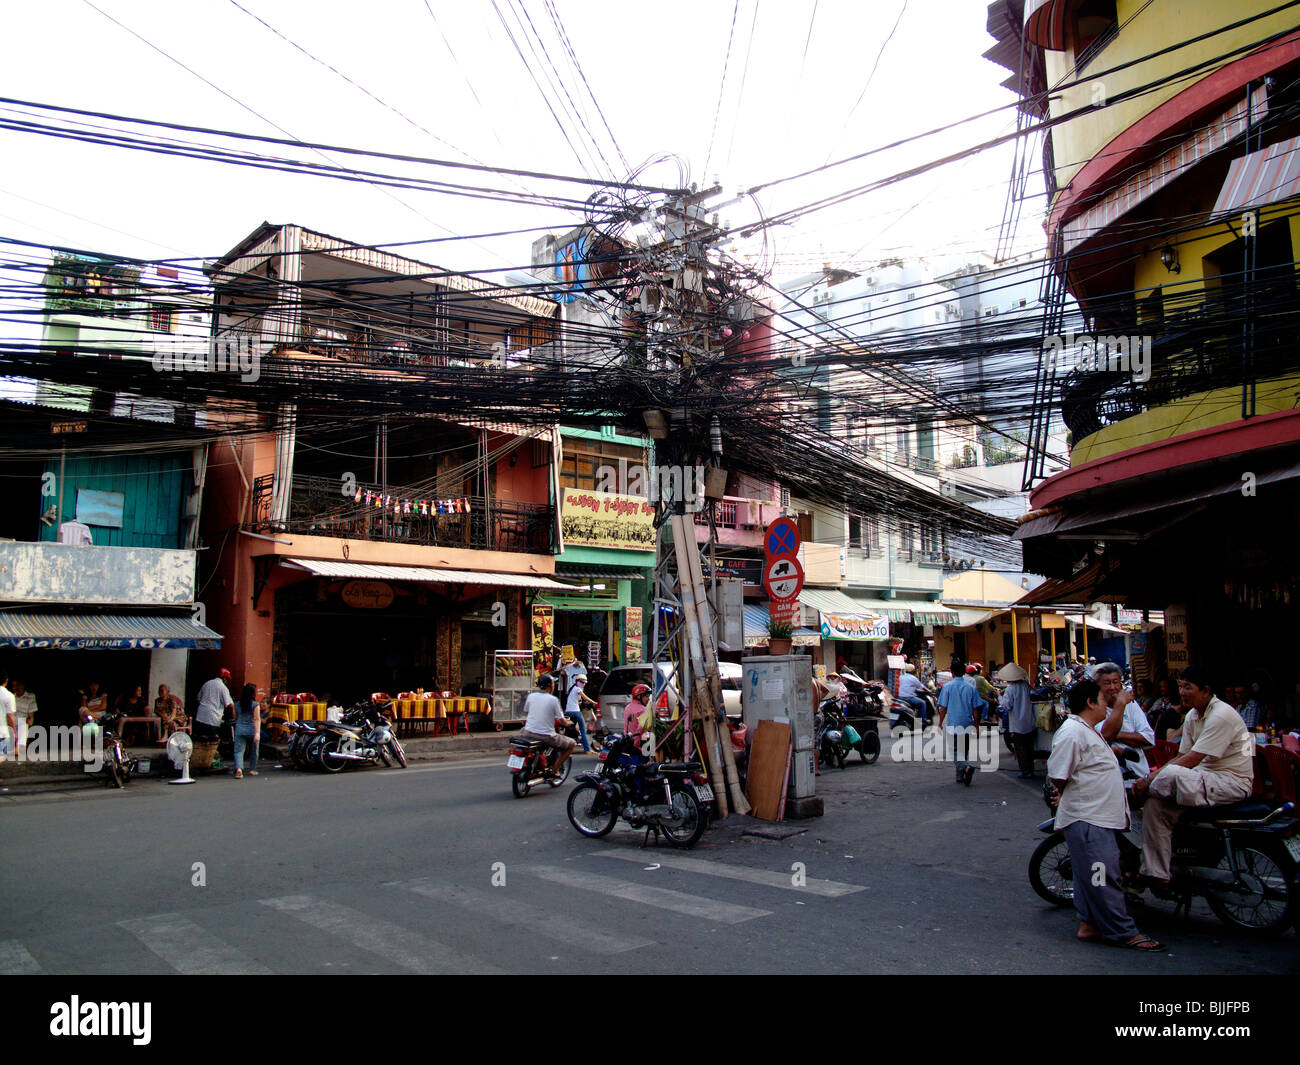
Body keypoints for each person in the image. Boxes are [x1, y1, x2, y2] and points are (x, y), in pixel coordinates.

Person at [1045, 678, 1165, 951]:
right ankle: (1122, 931)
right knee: (1103, 877)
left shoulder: (1086, 730)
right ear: (1090, 703)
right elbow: (1058, 774)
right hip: (1089, 820)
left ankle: (1089, 923)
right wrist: (1065, 794)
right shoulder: (1073, 732)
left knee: (1090, 876)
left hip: (1094, 818)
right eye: (1102, 700)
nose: (1106, 706)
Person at [1133, 666, 1254, 887]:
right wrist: (1153, 777)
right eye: (1180, 687)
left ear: (1206, 690)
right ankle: (1157, 873)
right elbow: (1181, 756)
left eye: (1187, 687)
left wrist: (1149, 780)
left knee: (1171, 775)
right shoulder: (1192, 716)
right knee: (1155, 805)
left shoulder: (1222, 715)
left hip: (1230, 783)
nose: (1182, 692)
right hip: (1201, 779)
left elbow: (1192, 759)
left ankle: (1136, 793)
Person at [1094, 662, 1154, 777]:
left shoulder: (1131, 704)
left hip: (1139, 772)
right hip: (1110, 775)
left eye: (1115, 682)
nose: (1113, 687)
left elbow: (1148, 738)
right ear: (1098, 686)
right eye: (1107, 683)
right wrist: (1120, 704)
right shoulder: (1095, 707)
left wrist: (1115, 735)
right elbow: (1105, 733)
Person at [518, 674, 575, 775]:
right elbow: (562, 721)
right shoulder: (553, 700)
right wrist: (569, 723)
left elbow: (526, 713)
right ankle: (554, 770)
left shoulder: (531, 696)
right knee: (572, 744)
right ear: (551, 686)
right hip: (545, 736)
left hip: (527, 732)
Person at [938, 665, 982, 786]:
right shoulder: (971, 688)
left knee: (954, 751)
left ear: (952, 673)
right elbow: (975, 710)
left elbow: (943, 708)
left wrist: (940, 723)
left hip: (953, 723)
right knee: (964, 750)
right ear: (964, 673)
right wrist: (976, 725)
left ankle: (966, 767)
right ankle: (960, 775)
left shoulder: (947, 687)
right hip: (967, 722)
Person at [998, 662, 1036, 778]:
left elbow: (1006, 706)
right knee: (1030, 749)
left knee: (1020, 749)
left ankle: (1024, 771)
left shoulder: (1010, 689)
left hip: (1017, 724)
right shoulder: (1026, 685)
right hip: (1029, 722)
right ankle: (1031, 769)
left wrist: (999, 696)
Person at [193, 667, 234, 744]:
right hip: (212, 719)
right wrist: (234, 716)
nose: (227, 682)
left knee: (199, 742)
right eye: (227, 679)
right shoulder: (223, 688)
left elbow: (198, 699)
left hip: (200, 717)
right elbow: (230, 705)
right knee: (210, 743)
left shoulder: (206, 684)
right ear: (224, 678)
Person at [231, 683, 260, 779]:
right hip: (252, 730)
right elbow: (256, 719)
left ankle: (239, 769)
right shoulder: (255, 705)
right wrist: (257, 733)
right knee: (254, 750)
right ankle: (252, 769)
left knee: (238, 751)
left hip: (239, 729)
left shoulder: (236, 705)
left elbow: (235, 718)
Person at [563, 675, 598, 753]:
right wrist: (594, 702)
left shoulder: (572, 689)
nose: (583, 684)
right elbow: (585, 697)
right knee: (583, 730)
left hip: (568, 711)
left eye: (584, 683)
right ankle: (587, 749)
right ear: (577, 681)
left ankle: (564, 747)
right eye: (581, 682)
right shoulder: (577, 689)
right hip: (575, 711)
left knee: (569, 729)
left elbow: (580, 700)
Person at [10, 679, 35, 758]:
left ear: (22, 686)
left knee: (22, 722)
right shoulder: (11, 697)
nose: (15, 688)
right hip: (11, 722)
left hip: (22, 722)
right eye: (13, 686)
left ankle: (19, 747)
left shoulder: (30, 696)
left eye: (17, 685)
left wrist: (30, 719)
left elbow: (31, 717)